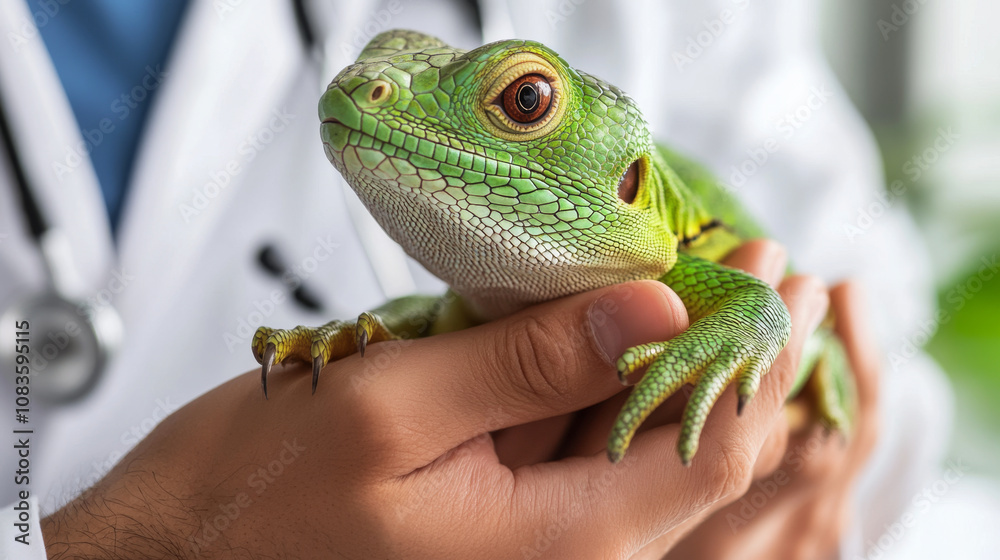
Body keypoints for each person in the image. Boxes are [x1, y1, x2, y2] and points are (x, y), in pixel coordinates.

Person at [0, 0, 947, 558]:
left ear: (628, 186)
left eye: (522, 101)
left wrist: (800, 494)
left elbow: (827, 313)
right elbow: (434, 314)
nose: (374, 91)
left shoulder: (682, 261)